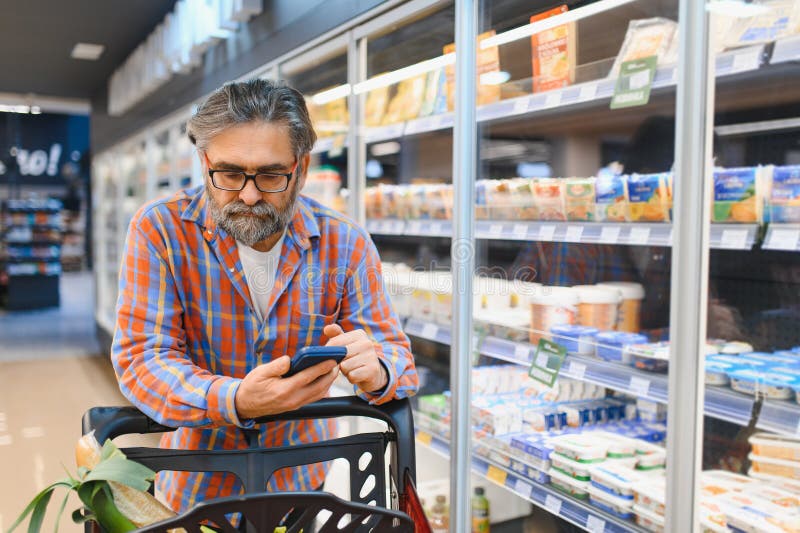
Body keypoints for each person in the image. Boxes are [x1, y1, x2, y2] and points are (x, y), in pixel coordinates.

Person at [111, 79, 419, 514]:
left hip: (302, 489)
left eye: (271, 175)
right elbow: (143, 358)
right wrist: (235, 399)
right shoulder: (160, 231)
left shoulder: (345, 243)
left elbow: (400, 362)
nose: (250, 194)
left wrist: (378, 369)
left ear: (303, 167)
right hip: (196, 489)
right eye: (230, 174)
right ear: (204, 162)